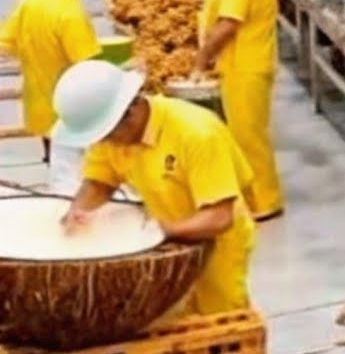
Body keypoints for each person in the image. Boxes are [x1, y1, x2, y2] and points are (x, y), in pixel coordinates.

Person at [56, 60, 255, 315]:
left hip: (215, 244)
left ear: (130, 113)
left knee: (218, 320)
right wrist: (77, 214)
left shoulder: (197, 134)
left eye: (106, 135)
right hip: (166, 231)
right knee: (174, 317)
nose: (104, 143)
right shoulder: (112, 139)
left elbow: (218, 217)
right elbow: (99, 181)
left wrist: (161, 231)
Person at [187, 0, 284, 222]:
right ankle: (255, 197)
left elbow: (228, 24)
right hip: (242, 63)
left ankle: (265, 202)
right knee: (246, 135)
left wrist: (201, 61)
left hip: (246, 65)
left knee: (249, 138)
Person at [0, 0, 106, 190]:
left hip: (39, 109)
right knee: (75, 178)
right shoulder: (70, 13)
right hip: (70, 116)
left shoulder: (32, 0)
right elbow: (90, 70)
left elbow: (6, 42)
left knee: (56, 167)